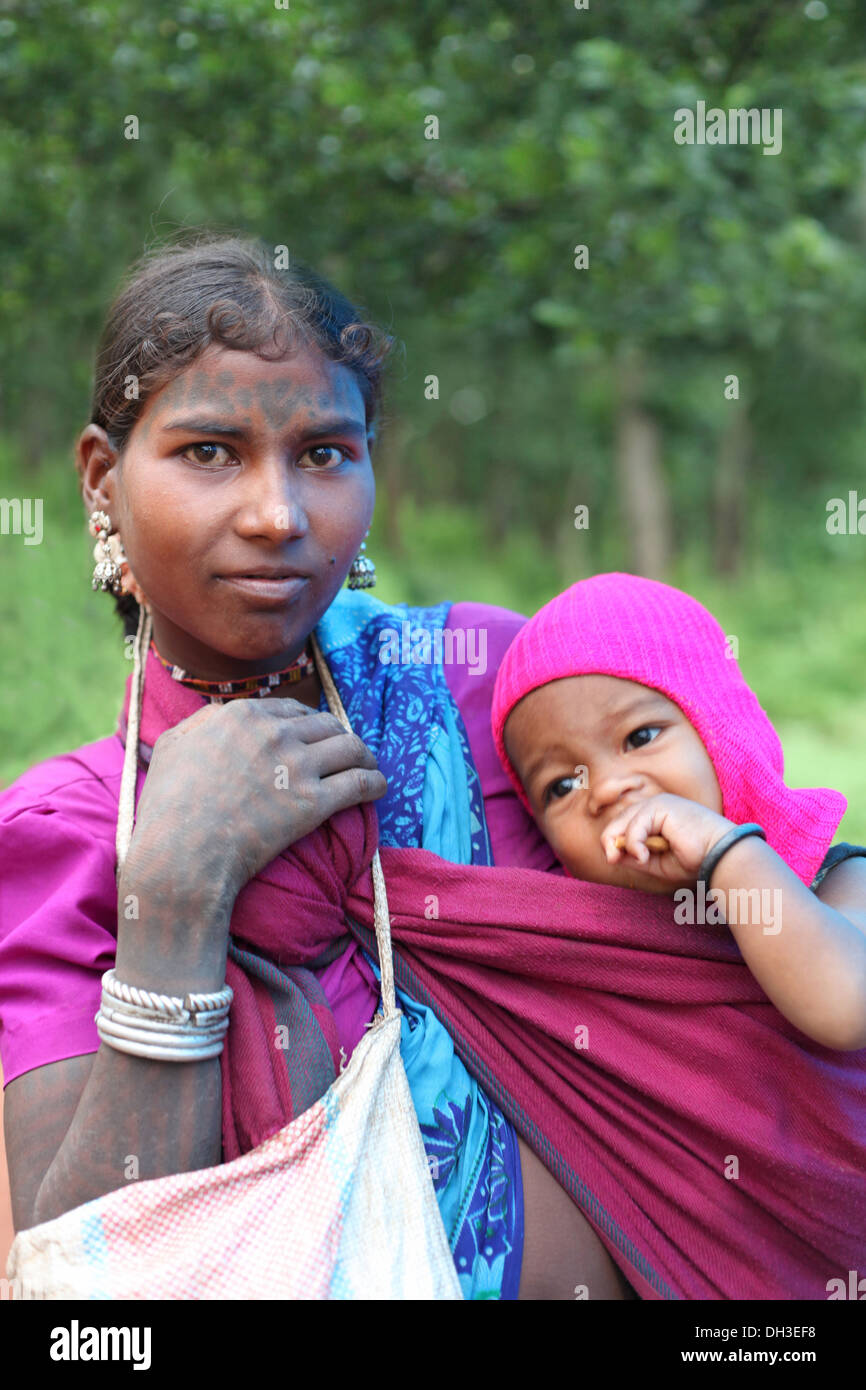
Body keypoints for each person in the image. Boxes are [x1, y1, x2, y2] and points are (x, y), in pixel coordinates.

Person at [0, 231, 633, 1300]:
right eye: (209, 452)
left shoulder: (491, 692)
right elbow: (85, 1286)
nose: (277, 516)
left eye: (324, 454)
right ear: (103, 480)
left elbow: (745, 867)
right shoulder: (70, 832)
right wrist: (177, 896)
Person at [490, 571, 866, 1052]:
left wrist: (725, 853)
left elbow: (847, 1007)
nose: (604, 789)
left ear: (719, 725)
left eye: (640, 737)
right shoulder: (586, 954)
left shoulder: (835, 880)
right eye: (562, 785)